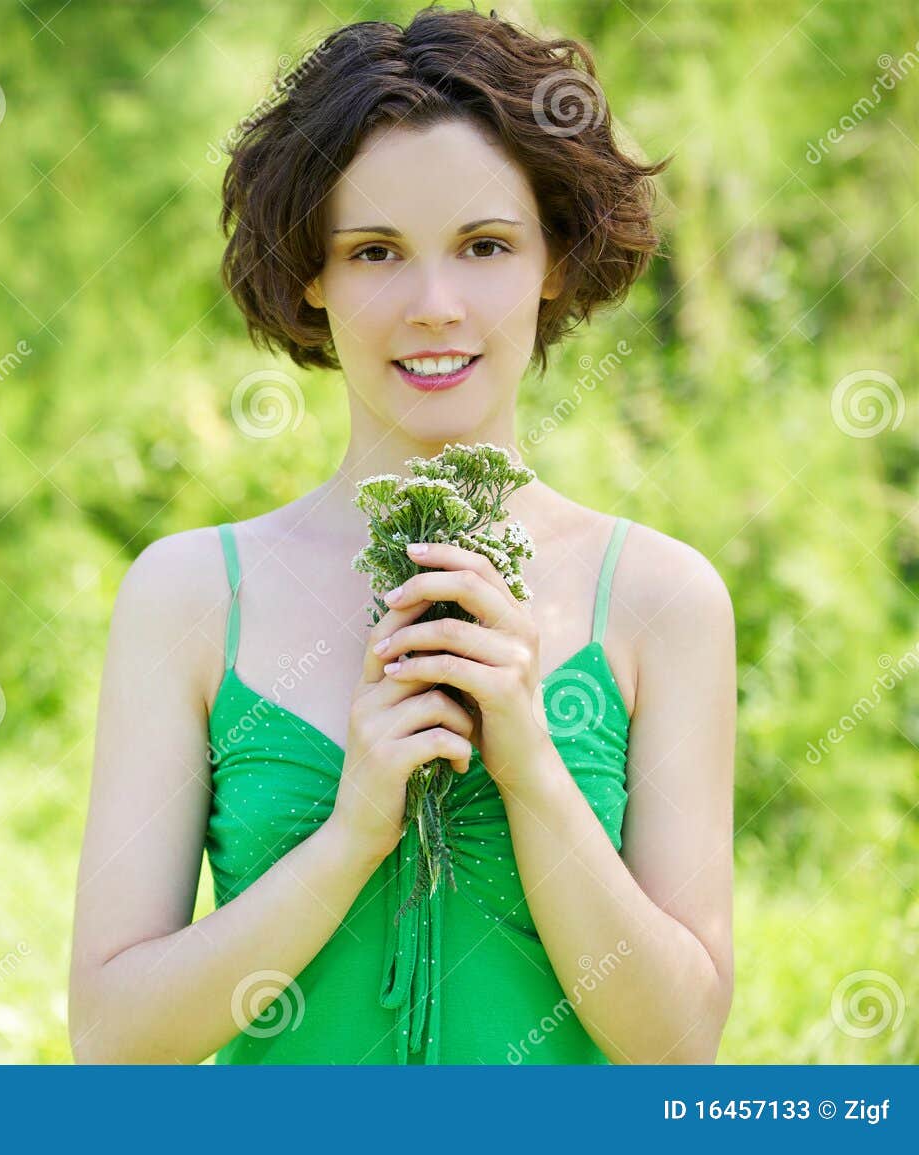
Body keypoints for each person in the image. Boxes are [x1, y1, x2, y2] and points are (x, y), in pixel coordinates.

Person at [68, 6, 735, 1064]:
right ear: (311, 275)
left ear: (552, 261)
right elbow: (113, 1039)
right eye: (375, 250)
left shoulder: (662, 599)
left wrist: (529, 763)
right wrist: (350, 835)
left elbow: (676, 1047)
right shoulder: (191, 594)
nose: (433, 304)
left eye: (483, 246)